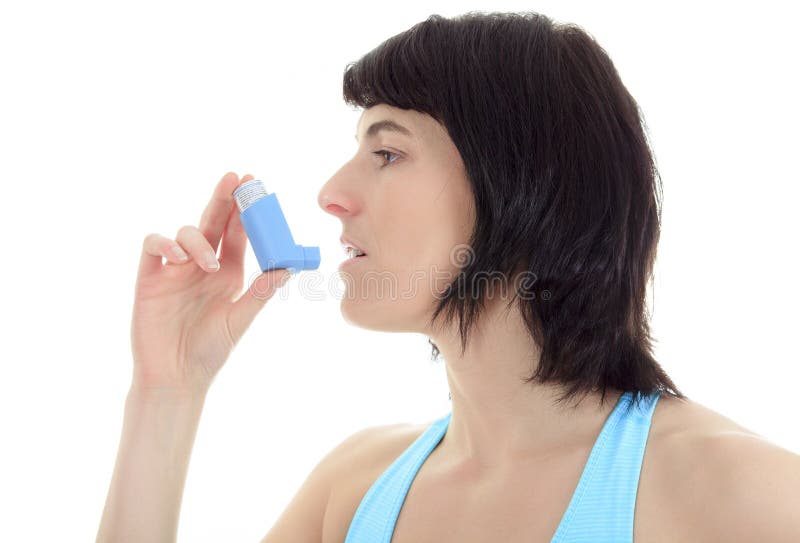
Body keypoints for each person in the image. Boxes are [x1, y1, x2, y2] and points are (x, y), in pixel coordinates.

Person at [96, 11, 800, 543]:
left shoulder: (740, 496)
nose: (332, 193)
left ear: (524, 183)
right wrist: (167, 392)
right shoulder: (351, 491)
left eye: (387, 152)